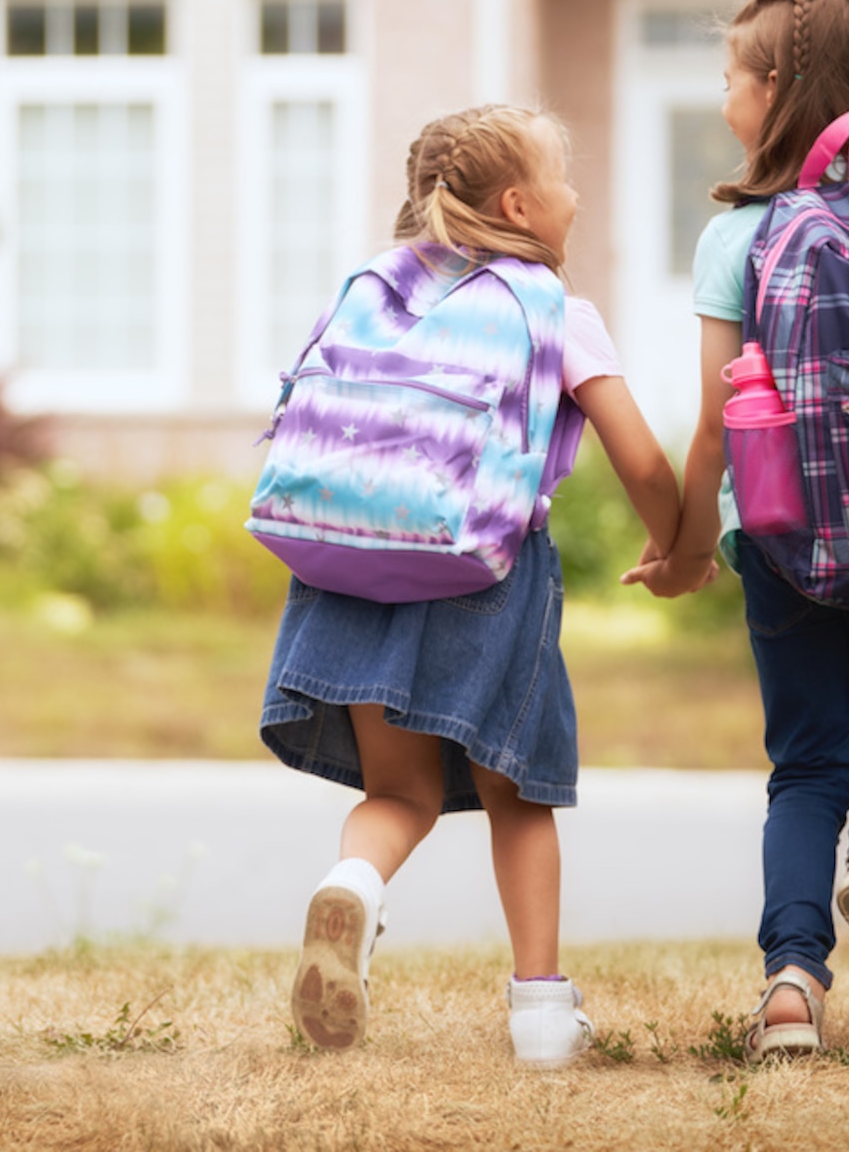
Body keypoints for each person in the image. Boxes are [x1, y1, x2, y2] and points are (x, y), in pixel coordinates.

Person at [261, 104, 681, 1066]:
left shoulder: (376, 288)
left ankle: (356, 889)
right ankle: (541, 1015)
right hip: (485, 572)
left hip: (353, 560)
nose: (577, 195)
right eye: (565, 177)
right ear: (520, 203)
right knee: (516, 795)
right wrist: (677, 545)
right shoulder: (553, 310)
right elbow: (645, 464)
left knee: (397, 793)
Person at [624, 0, 849, 1062]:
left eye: (731, 79)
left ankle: (790, 992)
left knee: (808, 762)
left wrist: (680, 548)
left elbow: (721, 418)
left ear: (778, 90)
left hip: (781, 531)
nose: (723, 99)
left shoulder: (741, 238)